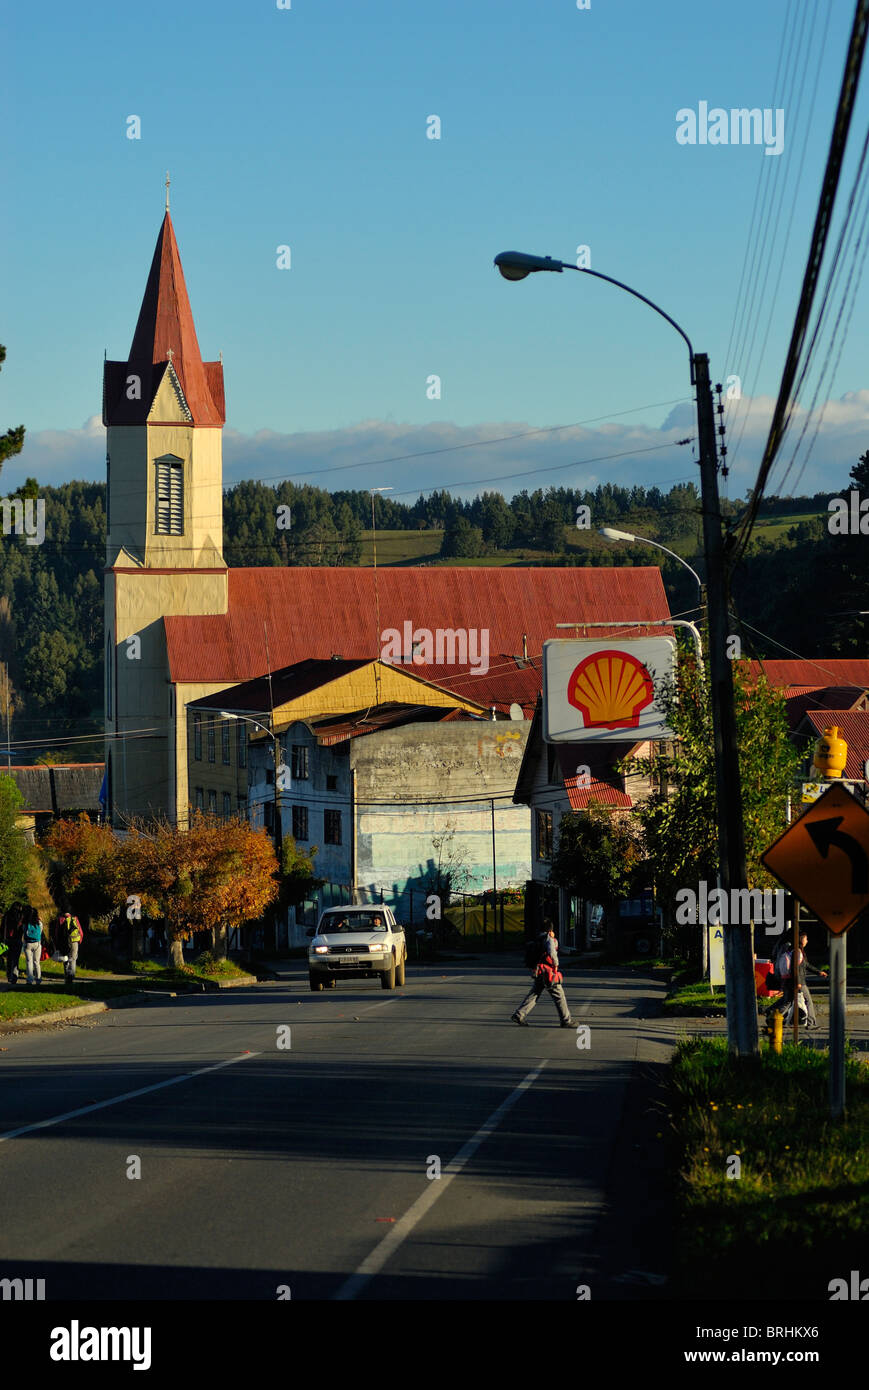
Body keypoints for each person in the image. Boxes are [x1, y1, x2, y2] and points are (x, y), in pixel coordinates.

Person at [512, 921, 576, 1028]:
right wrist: (556, 965)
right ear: (550, 930)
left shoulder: (538, 938)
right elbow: (552, 952)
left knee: (534, 994)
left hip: (538, 970)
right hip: (548, 972)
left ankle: (519, 1014)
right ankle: (566, 1020)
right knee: (559, 995)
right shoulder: (549, 939)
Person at [55, 910, 84, 986]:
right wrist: (79, 940)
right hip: (74, 941)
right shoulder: (75, 918)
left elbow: (57, 932)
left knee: (65, 959)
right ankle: (71, 976)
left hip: (64, 942)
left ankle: (66, 976)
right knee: (73, 959)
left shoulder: (60, 919)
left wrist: (58, 943)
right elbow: (80, 931)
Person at [2, 904, 26, 986]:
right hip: (18, 939)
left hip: (8, 939)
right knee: (16, 959)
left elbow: (3, 927)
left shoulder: (7, 915)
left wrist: (3, 938)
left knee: (9, 958)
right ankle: (14, 976)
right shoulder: (21, 916)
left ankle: (9, 975)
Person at [22, 907, 45, 986]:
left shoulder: (25, 923)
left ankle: (29, 980)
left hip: (28, 944)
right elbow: (40, 932)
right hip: (37, 944)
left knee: (29, 962)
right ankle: (38, 979)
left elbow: (24, 932)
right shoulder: (39, 923)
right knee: (36, 962)